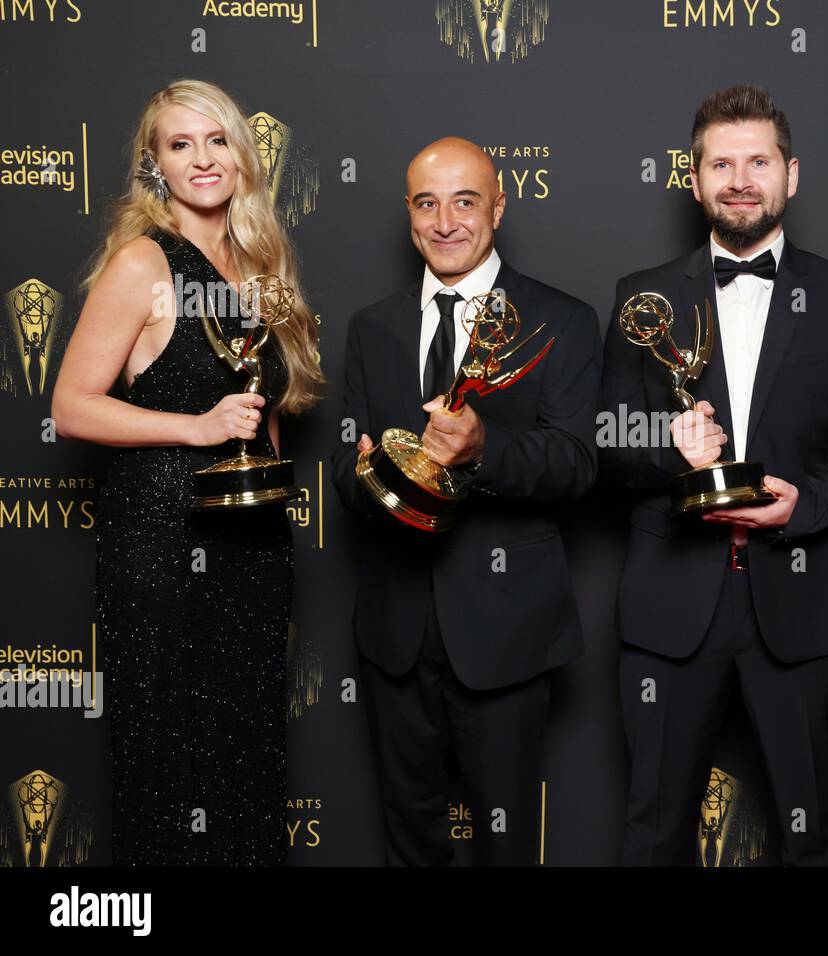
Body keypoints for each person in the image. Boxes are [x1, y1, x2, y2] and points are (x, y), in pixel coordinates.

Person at [601, 84, 828, 865]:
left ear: (790, 175)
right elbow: (606, 445)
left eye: (757, 161)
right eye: (720, 164)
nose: (739, 179)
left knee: (821, 835)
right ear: (693, 180)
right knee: (654, 834)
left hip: (804, 603)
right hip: (671, 610)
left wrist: (805, 507)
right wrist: (671, 452)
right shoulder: (643, 298)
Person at [51, 79, 324, 865]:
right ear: (155, 166)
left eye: (216, 141)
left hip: (252, 541)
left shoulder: (258, 261)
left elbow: (262, 405)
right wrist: (196, 428)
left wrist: (267, 473)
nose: (202, 160)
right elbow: (72, 406)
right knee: (172, 751)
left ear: (242, 154)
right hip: (164, 540)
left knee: (247, 742)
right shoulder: (143, 262)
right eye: (180, 145)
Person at [330, 137, 600, 866]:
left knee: (505, 843)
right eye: (426, 202)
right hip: (396, 630)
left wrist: (481, 449)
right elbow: (341, 463)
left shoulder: (560, 321)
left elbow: (578, 464)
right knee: (408, 838)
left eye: (465, 200)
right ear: (409, 214)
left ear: (499, 209)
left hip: (506, 632)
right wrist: (373, 476)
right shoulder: (370, 326)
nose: (445, 221)